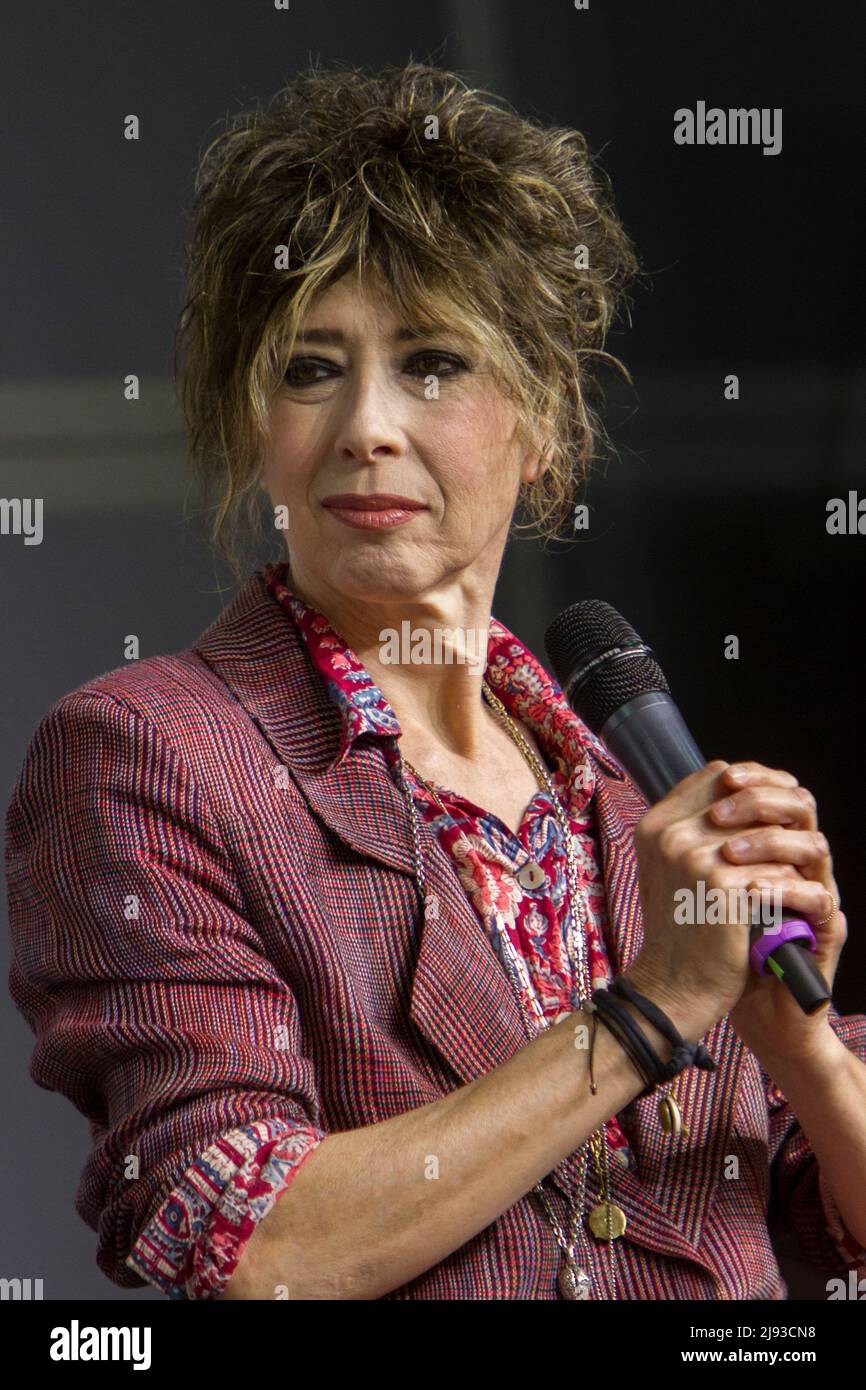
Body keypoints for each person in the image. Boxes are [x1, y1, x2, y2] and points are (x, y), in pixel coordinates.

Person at [6, 60, 866, 1302]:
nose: (366, 424)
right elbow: (249, 1242)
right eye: (310, 366)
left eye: (431, 362)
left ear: (545, 421)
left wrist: (801, 1053)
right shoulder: (149, 754)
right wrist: (646, 1012)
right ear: (257, 421)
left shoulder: (635, 802)